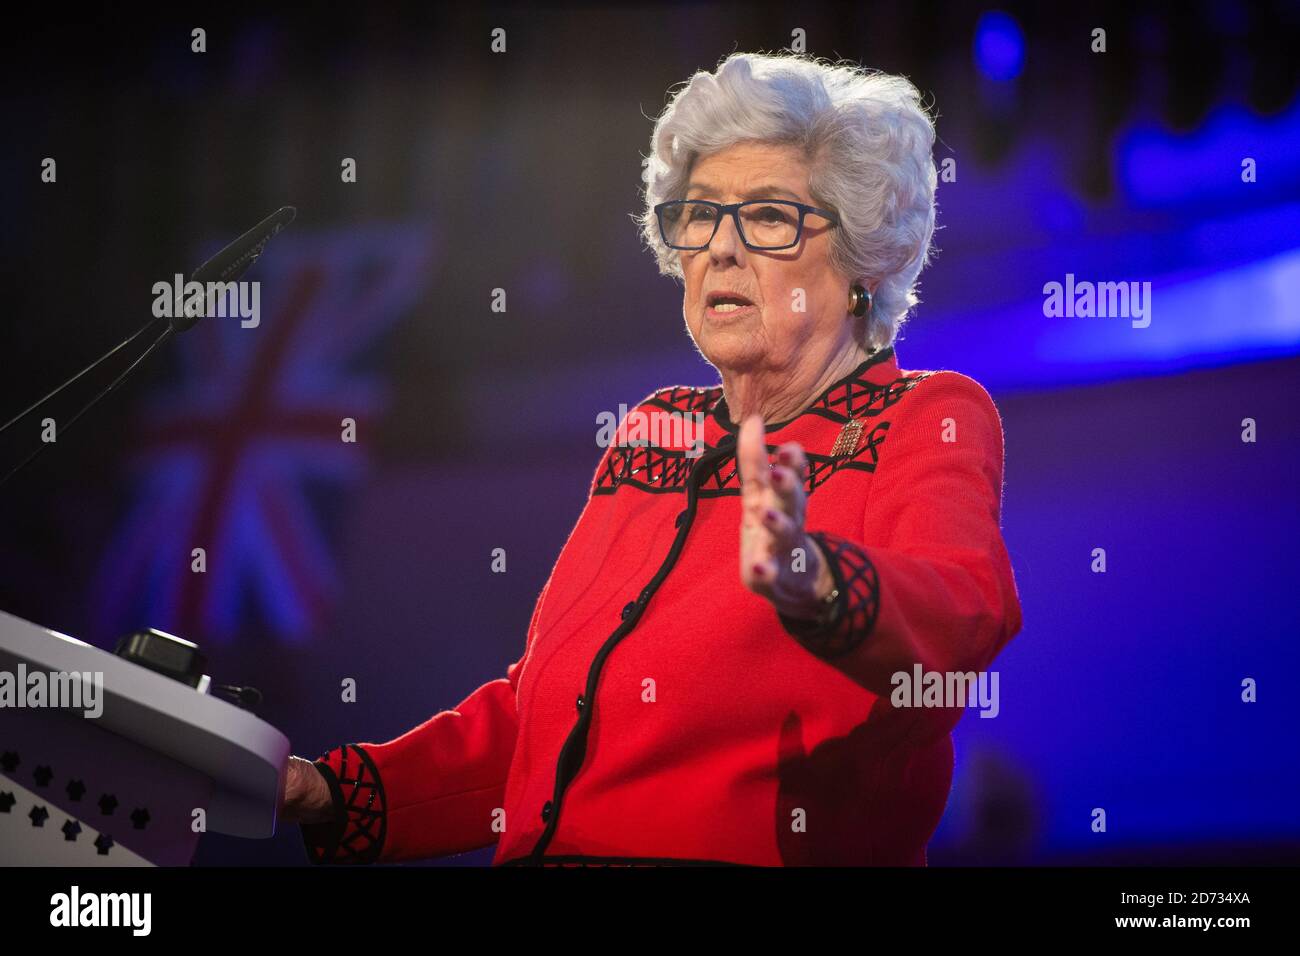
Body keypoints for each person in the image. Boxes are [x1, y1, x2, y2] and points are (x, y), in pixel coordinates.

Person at [280, 51, 1023, 866]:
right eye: (699, 216)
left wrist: (815, 576)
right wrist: (337, 788)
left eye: (769, 217)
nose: (720, 250)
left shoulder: (925, 414)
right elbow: (550, 720)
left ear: (864, 260)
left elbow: (961, 614)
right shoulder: (657, 431)